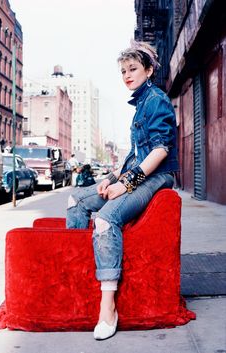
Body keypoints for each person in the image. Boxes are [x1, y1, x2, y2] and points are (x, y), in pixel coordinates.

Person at [66, 40, 179, 340]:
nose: (127, 75)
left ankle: (107, 305)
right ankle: (79, 278)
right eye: (123, 71)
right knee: (75, 199)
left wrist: (125, 185)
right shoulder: (141, 102)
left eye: (133, 69)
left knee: (104, 219)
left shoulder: (156, 100)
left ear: (149, 70)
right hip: (137, 172)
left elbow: (159, 152)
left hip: (157, 177)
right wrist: (113, 177)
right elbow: (135, 153)